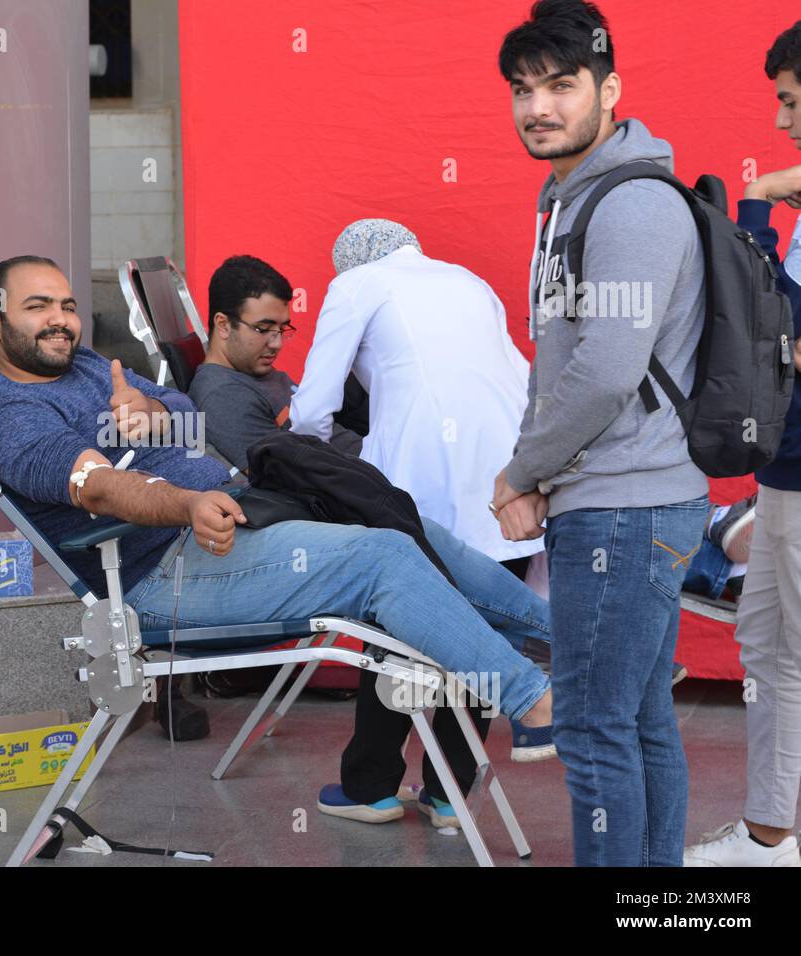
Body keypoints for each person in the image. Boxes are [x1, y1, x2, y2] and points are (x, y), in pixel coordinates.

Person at [0, 254, 558, 825]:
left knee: (405, 523)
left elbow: (179, 405)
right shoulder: (12, 417)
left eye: (66, 305)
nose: (60, 319)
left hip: (238, 518)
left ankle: (582, 651)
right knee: (381, 560)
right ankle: (534, 703)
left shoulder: (88, 365)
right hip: (161, 571)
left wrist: (147, 406)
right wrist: (187, 502)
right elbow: (101, 488)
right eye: (37, 306)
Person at [189, 254, 556, 829]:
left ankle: (385, 786)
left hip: (383, 498)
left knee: (448, 610)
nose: (277, 344)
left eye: (283, 329)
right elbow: (281, 475)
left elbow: (340, 419)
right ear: (220, 324)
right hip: (343, 519)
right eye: (262, 329)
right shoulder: (222, 395)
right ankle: (440, 791)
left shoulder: (270, 380)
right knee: (420, 598)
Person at [495, 0, 709, 867]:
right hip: (625, 500)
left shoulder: (629, 206)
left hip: (624, 508)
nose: (538, 106)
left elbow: (608, 373)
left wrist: (520, 473)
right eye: (521, 89)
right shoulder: (570, 199)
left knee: (588, 730)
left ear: (609, 89)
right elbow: (558, 360)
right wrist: (542, 472)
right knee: (638, 720)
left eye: (561, 85)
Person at [685, 20, 801, 868]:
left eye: (792, 104)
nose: (783, 124)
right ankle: (769, 832)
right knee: (767, 643)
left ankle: (769, 835)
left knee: (781, 646)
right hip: (786, 472)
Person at [289, 221, 542, 573]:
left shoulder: (355, 282)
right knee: (511, 605)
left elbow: (311, 412)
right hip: (511, 472)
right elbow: (522, 378)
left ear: (349, 262)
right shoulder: (468, 280)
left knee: (437, 603)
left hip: (423, 472)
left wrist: (302, 475)